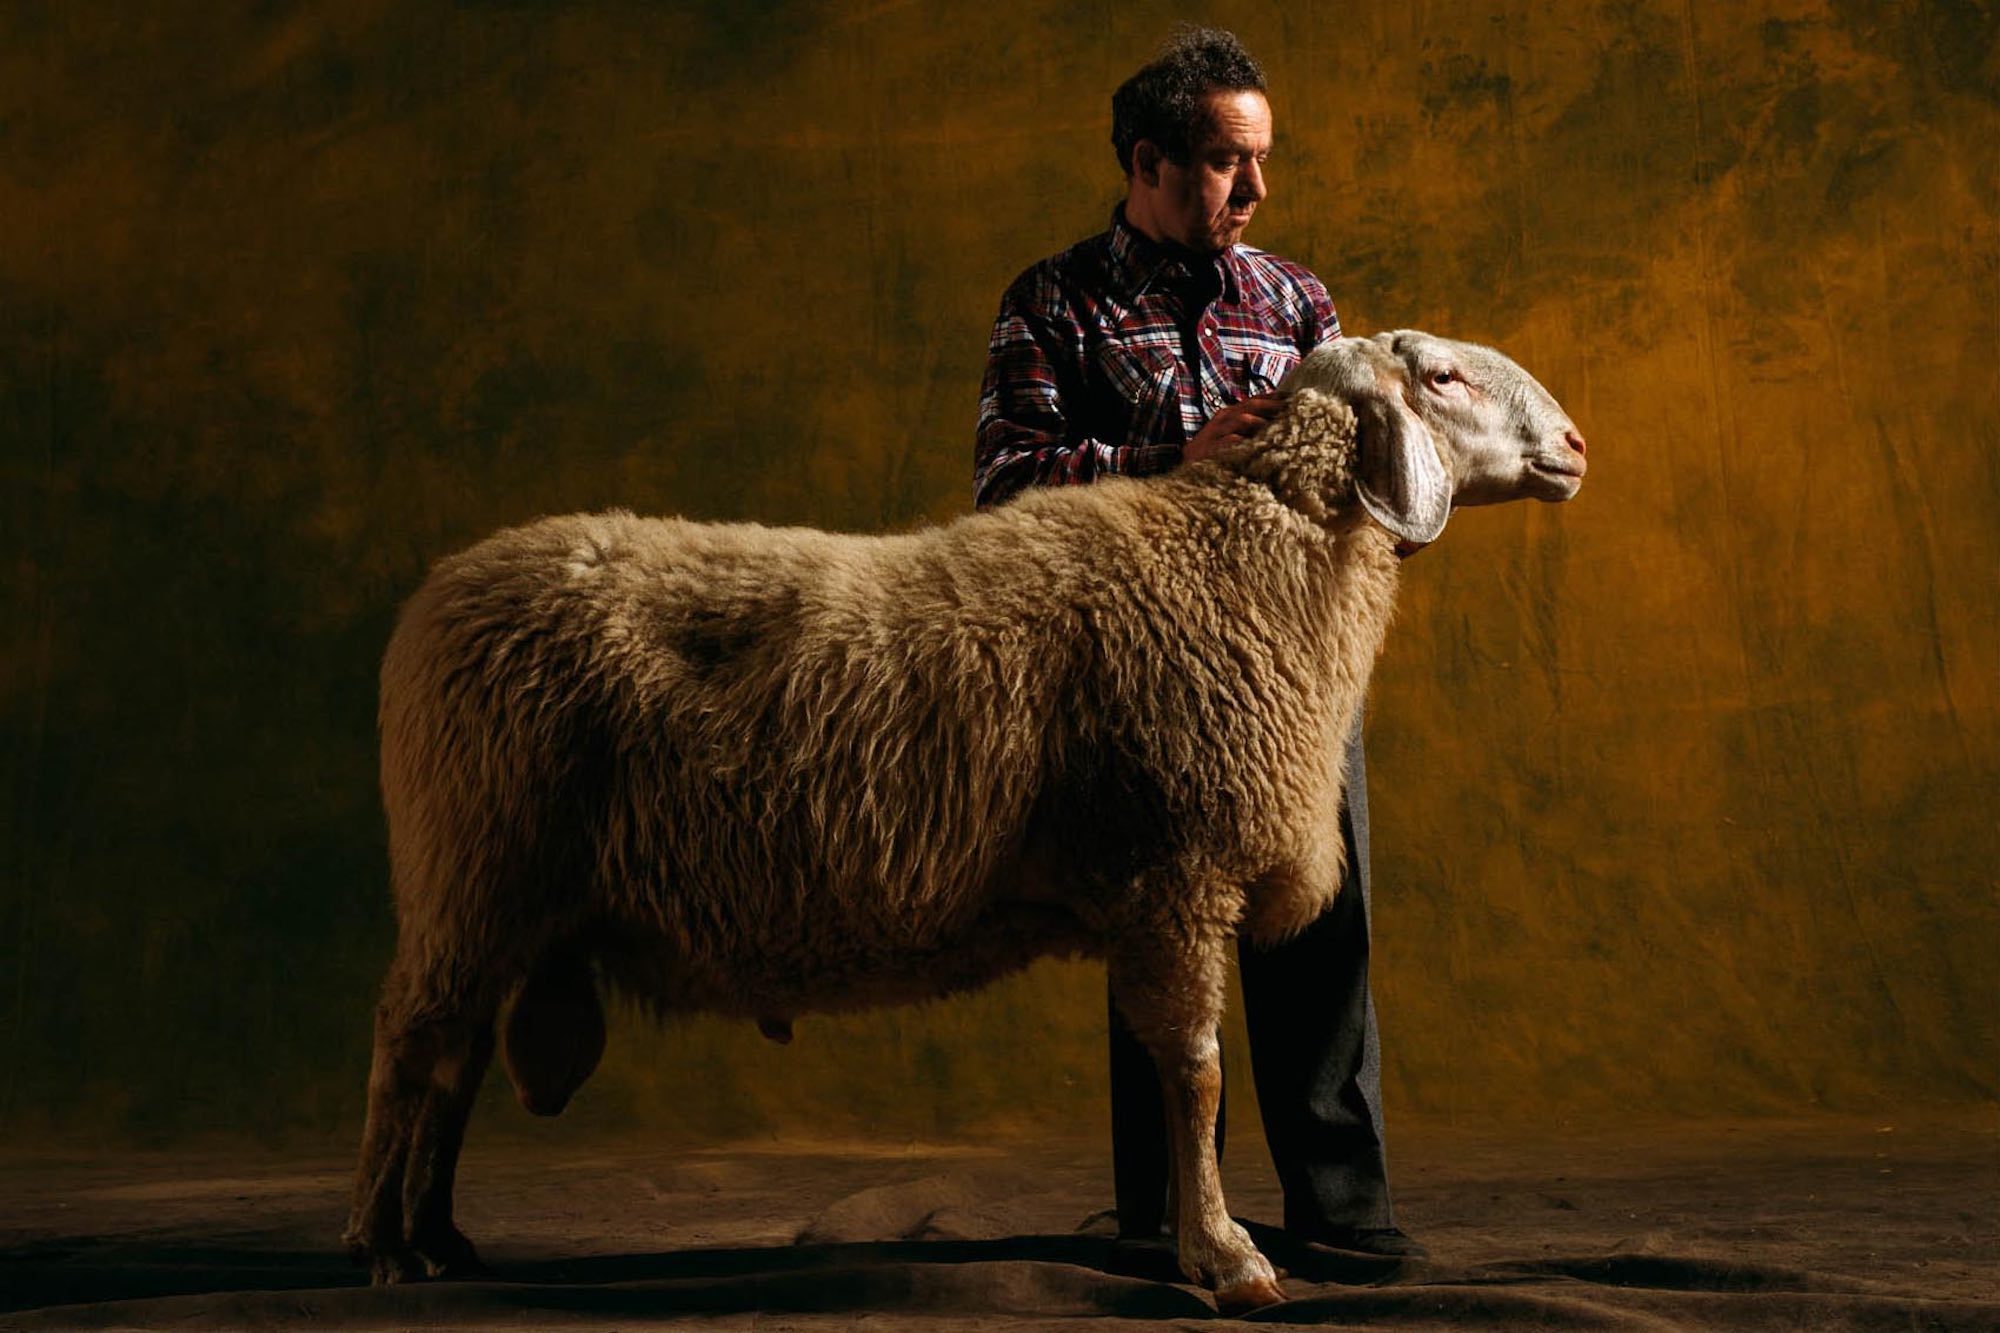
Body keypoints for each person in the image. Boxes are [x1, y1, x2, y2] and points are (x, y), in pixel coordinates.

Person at [973, 25, 1424, 1259]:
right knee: (1161, 934)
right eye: (1229, 162)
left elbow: (1370, 477)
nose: (1257, 190)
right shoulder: (1051, 302)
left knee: (1323, 930)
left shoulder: (1299, 305)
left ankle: (1343, 1214)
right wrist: (1166, 458)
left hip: (1296, 680)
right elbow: (1005, 488)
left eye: (1261, 160)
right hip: (1140, 692)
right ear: (1148, 161)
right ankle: (1171, 1210)